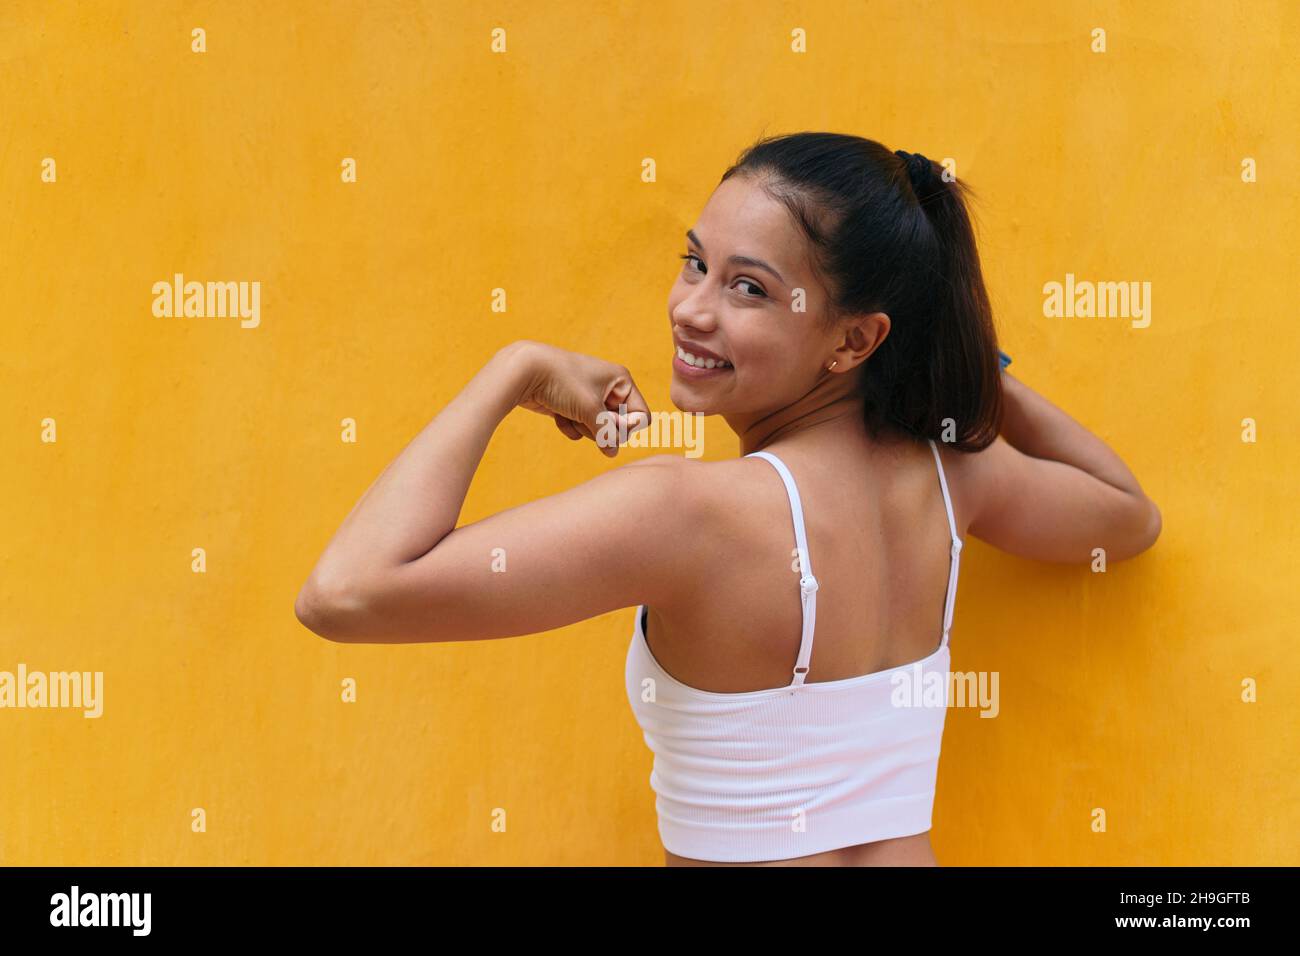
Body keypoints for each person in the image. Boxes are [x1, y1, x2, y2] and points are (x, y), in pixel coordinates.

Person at [294, 131, 1162, 867]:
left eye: (747, 288)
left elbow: (345, 593)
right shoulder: (952, 475)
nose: (692, 311)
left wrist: (512, 370)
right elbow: (1127, 514)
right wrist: (972, 370)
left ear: (855, 339)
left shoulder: (685, 514)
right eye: (695, 263)